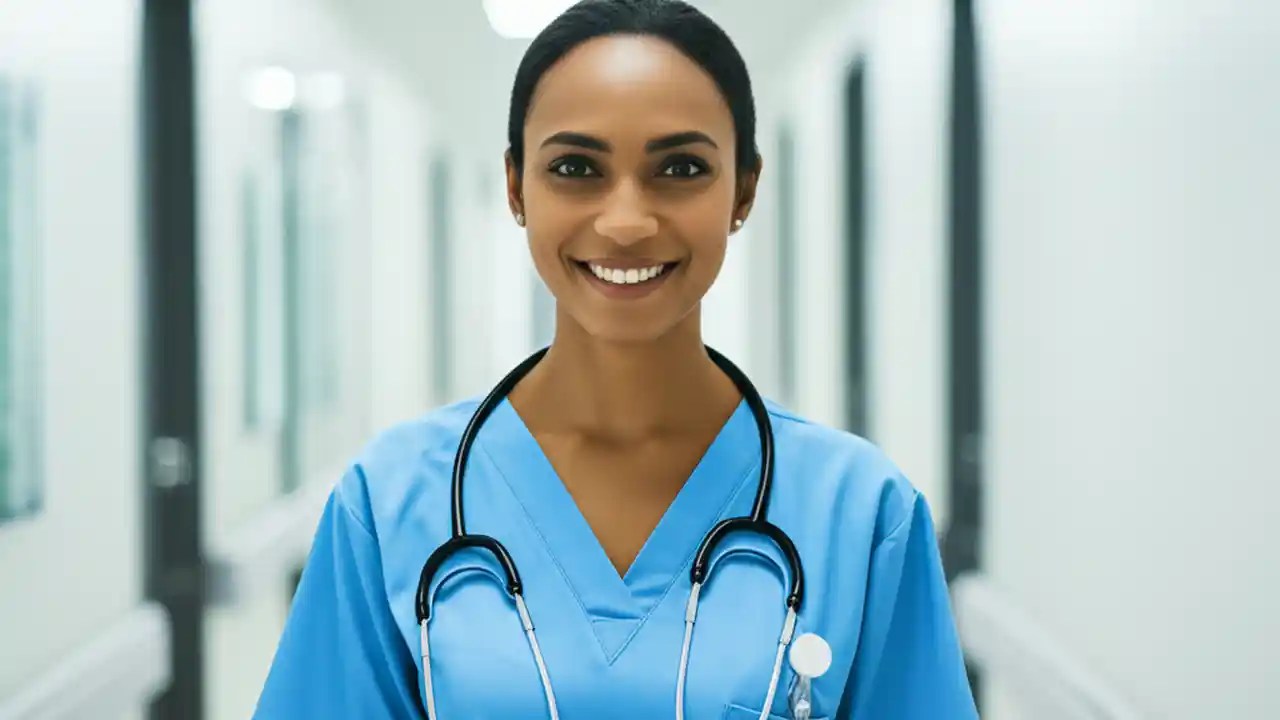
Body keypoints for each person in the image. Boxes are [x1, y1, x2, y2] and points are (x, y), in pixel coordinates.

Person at [253, 1, 977, 718]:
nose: (626, 221)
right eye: (575, 167)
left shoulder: (859, 513)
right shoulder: (389, 504)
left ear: (744, 190)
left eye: (681, 167)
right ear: (516, 189)